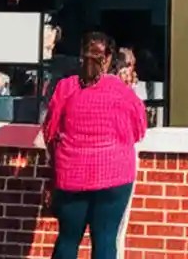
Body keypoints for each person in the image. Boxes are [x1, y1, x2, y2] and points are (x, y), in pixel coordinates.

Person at [42, 33, 147, 259]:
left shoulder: (65, 88)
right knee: (106, 240)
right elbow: (139, 131)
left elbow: (50, 131)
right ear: (108, 58)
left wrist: (57, 158)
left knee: (68, 239)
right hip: (115, 175)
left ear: (81, 55)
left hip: (71, 175)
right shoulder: (122, 92)